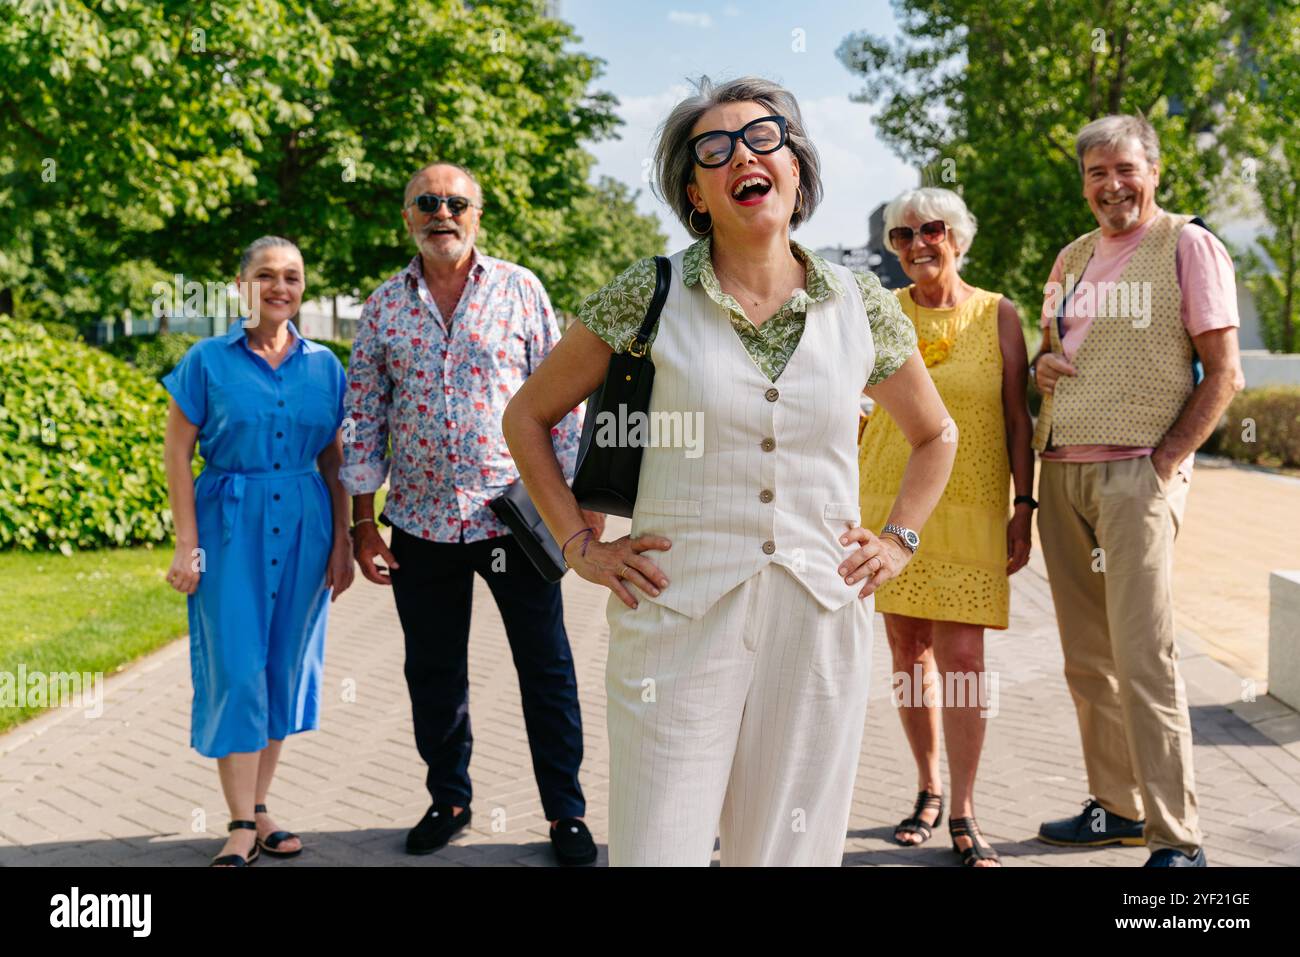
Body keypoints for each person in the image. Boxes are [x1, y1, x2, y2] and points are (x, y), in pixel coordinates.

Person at [503, 75, 955, 866]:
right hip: (676, 618)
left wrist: (900, 539)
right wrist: (579, 545)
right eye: (716, 148)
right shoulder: (649, 290)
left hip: (817, 619)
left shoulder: (862, 303)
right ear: (697, 192)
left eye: (764, 137)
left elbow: (936, 433)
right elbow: (526, 416)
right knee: (656, 848)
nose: (744, 154)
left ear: (797, 168)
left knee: (792, 851)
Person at [341, 161, 602, 865]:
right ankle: (449, 798)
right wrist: (363, 524)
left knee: (545, 667)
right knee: (432, 670)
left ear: (477, 215)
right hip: (421, 523)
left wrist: (576, 503)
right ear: (408, 216)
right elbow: (363, 417)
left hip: (516, 517)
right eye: (427, 201)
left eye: (457, 202)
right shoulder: (383, 307)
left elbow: (566, 399)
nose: (442, 212)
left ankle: (565, 814)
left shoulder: (521, 291)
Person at [1031, 114, 1244, 867]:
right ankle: (1117, 807)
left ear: (1153, 172)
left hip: (1135, 475)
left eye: (1125, 169)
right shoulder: (1071, 254)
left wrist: (1164, 464)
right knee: (1088, 660)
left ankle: (1177, 836)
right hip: (1060, 471)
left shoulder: (1188, 244)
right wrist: (1039, 367)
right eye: (1096, 173)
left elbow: (1224, 373)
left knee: (1145, 656)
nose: (1111, 185)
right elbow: (1051, 354)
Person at [162, 235, 354, 867]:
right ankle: (240, 822)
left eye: (292, 277)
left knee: (282, 671)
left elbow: (335, 460)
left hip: (305, 524)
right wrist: (187, 545)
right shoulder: (206, 361)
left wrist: (343, 542)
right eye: (266, 275)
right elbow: (177, 455)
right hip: (227, 527)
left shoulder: (326, 365)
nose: (280, 287)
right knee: (237, 669)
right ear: (242, 284)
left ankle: (261, 805)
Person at [858, 187, 1034, 867]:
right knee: (907, 656)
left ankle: (964, 807)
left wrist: (1027, 505)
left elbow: (1018, 418)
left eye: (930, 230)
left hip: (972, 506)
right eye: (901, 236)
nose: (916, 245)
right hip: (891, 503)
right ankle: (927, 785)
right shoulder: (881, 314)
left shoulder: (1000, 315)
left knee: (963, 660)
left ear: (957, 235)